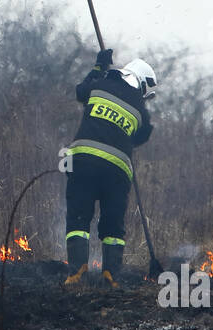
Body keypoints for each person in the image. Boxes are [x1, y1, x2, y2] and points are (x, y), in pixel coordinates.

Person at [62, 50, 157, 288]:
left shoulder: (100, 84)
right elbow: (142, 135)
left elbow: (80, 91)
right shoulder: (140, 110)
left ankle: (77, 272)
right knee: (113, 224)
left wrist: (99, 67)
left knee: (79, 217)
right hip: (117, 171)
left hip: (83, 161)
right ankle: (110, 275)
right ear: (141, 85)